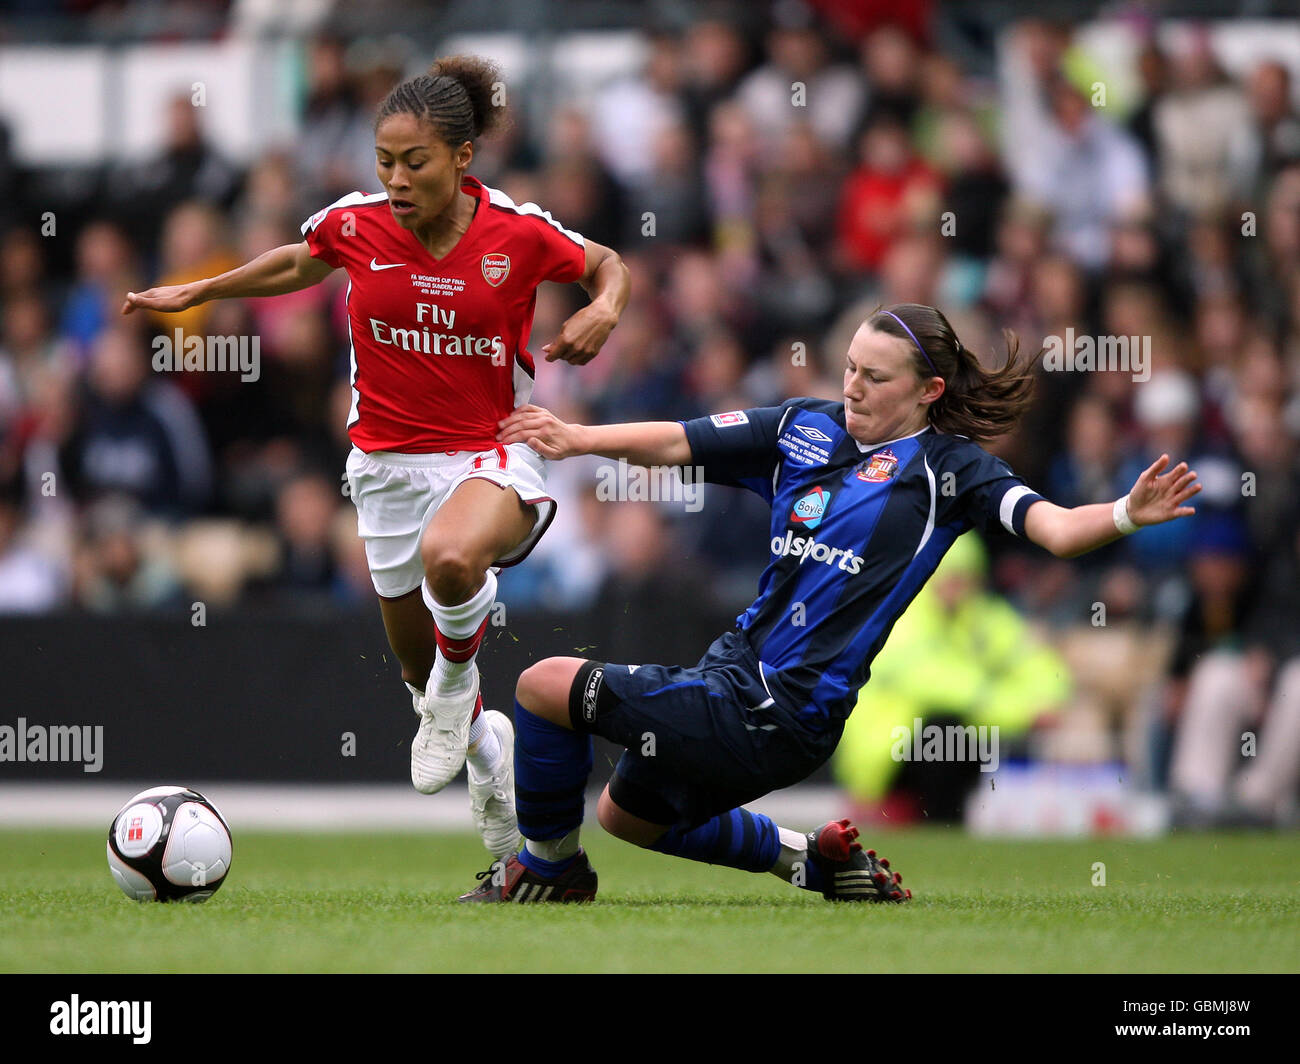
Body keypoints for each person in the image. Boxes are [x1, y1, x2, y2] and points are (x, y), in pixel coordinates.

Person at [459, 302, 1200, 903]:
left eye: (875, 377)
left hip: (783, 709)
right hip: (734, 675)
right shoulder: (801, 429)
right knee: (628, 815)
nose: (851, 387)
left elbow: (1060, 530)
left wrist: (1129, 512)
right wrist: (576, 437)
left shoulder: (953, 473)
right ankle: (811, 862)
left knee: (542, 685)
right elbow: (678, 444)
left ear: (927, 391)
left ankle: (551, 872)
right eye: (849, 367)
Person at [120, 56, 631, 862]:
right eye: (384, 161)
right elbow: (297, 262)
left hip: (491, 448)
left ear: (463, 159)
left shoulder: (517, 231)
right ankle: (487, 756)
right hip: (387, 468)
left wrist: (605, 307)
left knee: (454, 562)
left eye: (414, 162)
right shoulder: (355, 223)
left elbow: (610, 263)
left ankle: (457, 692)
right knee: (414, 670)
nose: (395, 179)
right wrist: (202, 291)